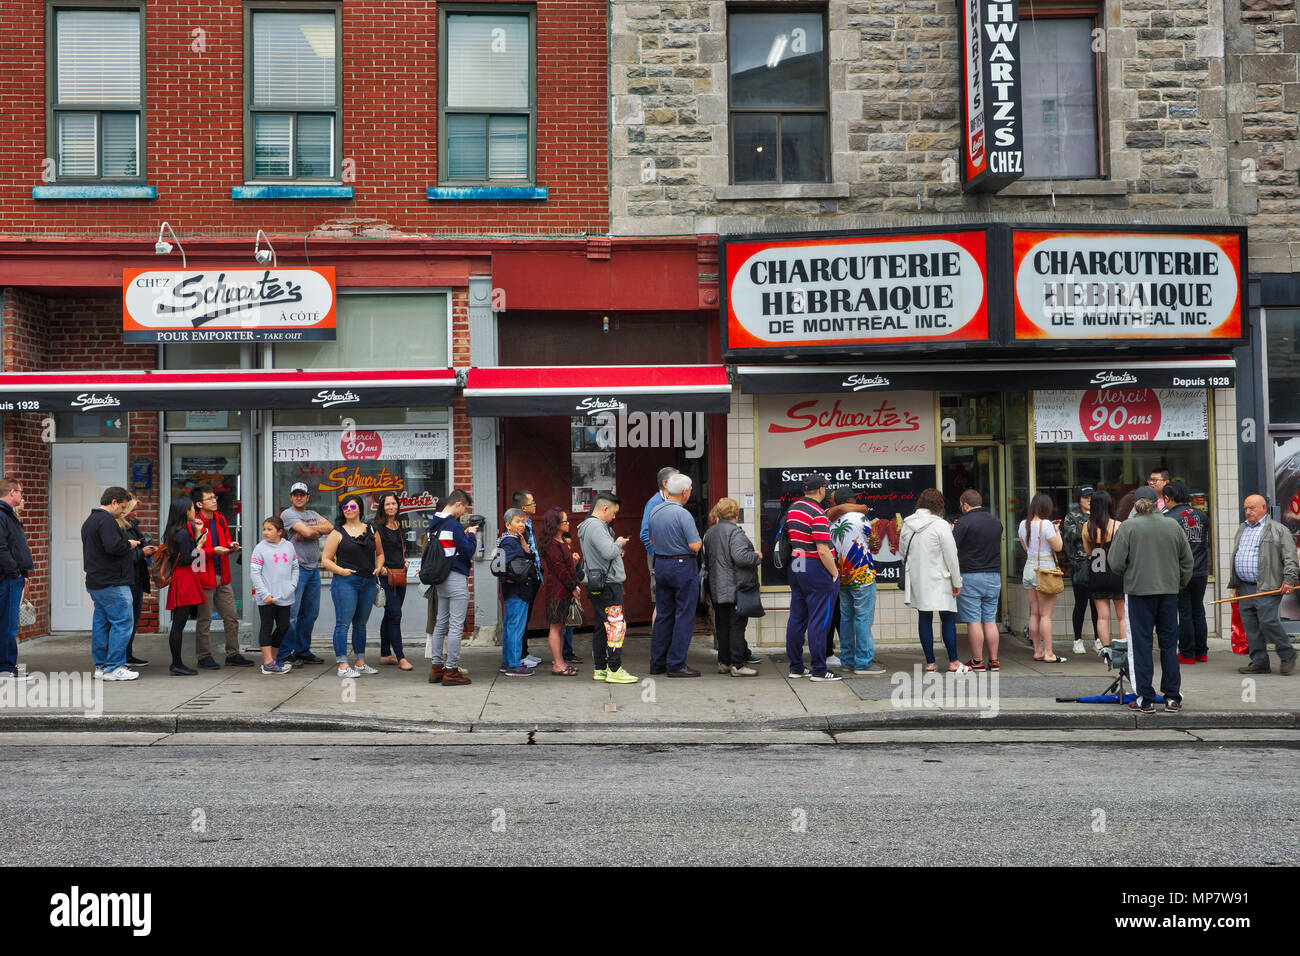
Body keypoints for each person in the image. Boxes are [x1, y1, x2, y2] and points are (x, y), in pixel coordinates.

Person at [1108, 486, 1194, 713]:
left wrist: (1131, 572)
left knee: (1142, 646)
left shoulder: (1129, 527)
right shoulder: (1172, 525)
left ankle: (1145, 697)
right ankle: (1172, 697)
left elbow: (1115, 563)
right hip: (1168, 593)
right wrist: (1178, 583)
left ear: (1135, 505)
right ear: (1158, 502)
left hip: (1139, 593)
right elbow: (1187, 561)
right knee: (1168, 645)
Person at [1231, 493, 1299, 675]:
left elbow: (1290, 557)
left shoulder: (1278, 530)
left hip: (1268, 584)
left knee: (1267, 620)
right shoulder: (1242, 529)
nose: (1247, 512)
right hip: (1245, 585)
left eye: (1252, 508)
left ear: (1263, 508)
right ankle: (1259, 661)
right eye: (1245, 508)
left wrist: (1289, 580)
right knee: (1250, 624)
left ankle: (1287, 653)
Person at [782, 474, 841, 681]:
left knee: (797, 618)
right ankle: (819, 669)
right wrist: (834, 573)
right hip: (815, 567)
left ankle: (796, 666)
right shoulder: (817, 513)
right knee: (819, 620)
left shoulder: (794, 508)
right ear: (821, 489)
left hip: (796, 564)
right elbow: (823, 550)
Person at [901, 488, 965, 673]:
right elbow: (951, 556)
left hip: (919, 579)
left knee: (924, 617)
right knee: (947, 619)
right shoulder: (941, 525)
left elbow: (903, 553)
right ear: (939, 505)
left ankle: (930, 663)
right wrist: (957, 581)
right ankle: (953, 662)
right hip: (941, 578)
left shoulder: (907, 523)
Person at [81, 486, 141, 681]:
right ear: (113, 502)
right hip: (113, 581)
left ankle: (101, 666)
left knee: (101, 623)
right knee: (122, 623)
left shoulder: (90, 521)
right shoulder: (106, 521)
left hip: (96, 581)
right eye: (123, 507)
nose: (124, 511)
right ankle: (115, 666)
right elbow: (113, 546)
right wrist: (129, 545)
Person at [647, 472, 703, 678]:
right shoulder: (683, 514)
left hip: (661, 564)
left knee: (663, 614)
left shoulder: (654, 511)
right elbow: (694, 545)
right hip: (682, 565)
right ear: (685, 492)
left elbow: (651, 542)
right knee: (684, 616)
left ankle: (657, 662)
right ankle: (677, 663)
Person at [577, 493, 637, 683]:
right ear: (604, 509)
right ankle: (614, 668)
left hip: (599, 584)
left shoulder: (586, 526)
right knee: (616, 626)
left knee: (602, 628)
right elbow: (609, 551)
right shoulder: (596, 526)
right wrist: (618, 542)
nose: (614, 517)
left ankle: (600, 668)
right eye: (614, 512)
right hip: (609, 585)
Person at [321, 494, 382, 679]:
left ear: (360, 509)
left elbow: (380, 553)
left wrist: (379, 567)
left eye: (352, 507)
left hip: (369, 582)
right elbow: (325, 559)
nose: (348, 510)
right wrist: (341, 571)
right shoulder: (337, 532)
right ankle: (343, 665)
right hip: (345, 582)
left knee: (361, 625)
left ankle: (360, 663)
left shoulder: (372, 529)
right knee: (343, 623)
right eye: (345, 507)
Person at [192, 483, 251, 669]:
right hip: (204, 575)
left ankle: (233, 654)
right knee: (205, 619)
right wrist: (213, 551)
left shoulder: (220, 519)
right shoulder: (194, 522)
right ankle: (204, 656)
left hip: (223, 575)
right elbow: (194, 552)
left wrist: (230, 545)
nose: (214, 500)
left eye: (214, 497)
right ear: (199, 504)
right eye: (209, 498)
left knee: (231, 616)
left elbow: (224, 540)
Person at [703, 497, 762, 677]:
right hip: (735, 587)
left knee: (722, 625)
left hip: (716, 587)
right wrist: (756, 556)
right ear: (736, 514)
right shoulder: (735, 533)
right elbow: (740, 557)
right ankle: (737, 664)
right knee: (736, 626)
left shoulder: (710, 533)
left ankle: (724, 662)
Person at [276, 481, 331, 667]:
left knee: (310, 613)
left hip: (313, 569)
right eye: (295, 494)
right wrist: (311, 531)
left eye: (302, 494)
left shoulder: (312, 514)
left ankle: (302, 651)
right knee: (291, 613)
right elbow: (308, 530)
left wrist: (309, 533)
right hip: (296, 570)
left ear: (307, 497)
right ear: (291, 497)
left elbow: (330, 527)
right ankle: (284, 653)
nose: (299, 497)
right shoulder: (287, 514)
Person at [426, 489, 477, 686]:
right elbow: (466, 552)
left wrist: (462, 537)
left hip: (440, 578)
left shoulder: (434, 523)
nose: (463, 513)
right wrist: (471, 535)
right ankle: (451, 671)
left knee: (441, 623)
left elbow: (448, 547)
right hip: (456, 576)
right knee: (456, 626)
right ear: (459, 504)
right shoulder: (454, 525)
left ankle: (436, 668)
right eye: (464, 508)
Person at [953, 489, 1002, 671]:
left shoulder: (964, 522)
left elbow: (953, 546)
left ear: (965, 504)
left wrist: (953, 529)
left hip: (971, 575)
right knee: (989, 619)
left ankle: (977, 661)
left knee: (973, 620)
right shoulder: (996, 521)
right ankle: (994, 661)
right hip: (994, 575)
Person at [1164, 480, 1211, 665]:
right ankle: (1202, 652)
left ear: (1168, 498)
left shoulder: (1169, 518)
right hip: (1200, 571)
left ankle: (1187, 653)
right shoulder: (1202, 516)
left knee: (1184, 612)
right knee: (1198, 610)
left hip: (1181, 571)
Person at [161, 496, 208, 676]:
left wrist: (196, 538)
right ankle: (177, 664)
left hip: (181, 578)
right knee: (179, 624)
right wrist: (200, 545)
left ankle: (177, 663)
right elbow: (188, 559)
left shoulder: (174, 531)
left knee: (178, 623)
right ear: (184, 511)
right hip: (185, 579)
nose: (193, 512)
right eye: (191, 509)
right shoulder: (182, 533)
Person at [1018, 492, 1066, 663]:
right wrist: (1057, 531)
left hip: (1029, 567)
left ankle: (1037, 650)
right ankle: (1049, 652)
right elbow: (1058, 547)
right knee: (1046, 615)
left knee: (1034, 613)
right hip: (1045, 568)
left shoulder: (1023, 524)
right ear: (1046, 507)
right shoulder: (1046, 524)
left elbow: (1025, 547)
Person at [250, 516, 299, 675]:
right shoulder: (260, 548)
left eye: (269, 529)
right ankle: (268, 662)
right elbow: (255, 573)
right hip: (267, 597)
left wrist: (292, 586)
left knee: (284, 626)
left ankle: (272, 660)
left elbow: (295, 568)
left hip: (285, 596)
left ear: (279, 531)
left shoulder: (289, 546)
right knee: (266, 626)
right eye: (264, 529)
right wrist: (264, 593)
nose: (265, 532)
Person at [1082, 490, 1127, 661]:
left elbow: (1088, 552)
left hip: (1097, 572)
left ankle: (1106, 652)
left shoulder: (1087, 527)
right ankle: (1123, 651)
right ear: (1109, 505)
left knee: (1102, 616)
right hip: (1116, 572)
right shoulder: (1118, 525)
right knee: (1121, 615)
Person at [372, 492, 412, 671]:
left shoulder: (399, 524)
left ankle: (385, 654)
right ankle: (401, 656)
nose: (391, 507)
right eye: (387, 504)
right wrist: (380, 568)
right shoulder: (377, 528)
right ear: (382, 507)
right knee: (395, 615)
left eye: (393, 504)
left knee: (390, 615)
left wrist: (405, 561)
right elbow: (375, 552)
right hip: (385, 576)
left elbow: (399, 549)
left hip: (400, 575)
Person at [539, 507, 581, 676]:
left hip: (564, 589)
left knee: (560, 626)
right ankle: (558, 664)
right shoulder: (552, 545)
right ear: (556, 524)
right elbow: (561, 570)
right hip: (558, 590)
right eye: (565, 521)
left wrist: (574, 585)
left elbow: (568, 567)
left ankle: (561, 661)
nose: (568, 523)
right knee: (555, 627)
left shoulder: (562, 541)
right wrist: (573, 587)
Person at [0, 478, 34, 682]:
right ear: (12, 492)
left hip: (12, 577)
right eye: (21, 492)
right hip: (7, 579)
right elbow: (1, 548)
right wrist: (16, 573)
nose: (22, 496)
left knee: (7, 623)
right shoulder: (3, 515)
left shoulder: (8, 515)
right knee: (8, 624)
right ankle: (6, 668)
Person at [497, 507, 538, 676]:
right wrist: (506, 578)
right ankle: (514, 664)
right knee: (515, 627)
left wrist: (527, 550)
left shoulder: (512, 540)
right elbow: (499, 566)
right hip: (518, 591)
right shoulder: (510, 542)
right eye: (517, 521)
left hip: (515, 591)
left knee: (511, 626)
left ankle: (507, 662)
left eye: (523, 521)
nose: (521, 524)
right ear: (508, 524)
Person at [1060, 485, 1099, 655]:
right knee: (1081, 604)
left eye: (1092, 497)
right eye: (1086, 497)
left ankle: (1098, 639)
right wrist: (1089, 527)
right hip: (1080, 564)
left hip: (1098, 563)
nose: (1089, 500)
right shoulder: (1072, 516)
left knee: (1097, 604)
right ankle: (1077, 640)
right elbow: (1069, 536)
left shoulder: (1100, 514)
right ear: (1079, 499)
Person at [119, 495, 155, 668]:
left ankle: (127, 654)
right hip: (129, 579)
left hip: (137, 578)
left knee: (132, 619)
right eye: (132, 510)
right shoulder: (121, 529)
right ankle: (121, 657)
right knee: (126, 620)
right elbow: (122, 555)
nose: (135, 513)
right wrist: (143, 553)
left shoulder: (132, 527)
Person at [639, 467, 679, 625]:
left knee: (671, 603)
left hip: (671, 559)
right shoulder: (655, 502)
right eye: (676, 479)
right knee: (662, 604)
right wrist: (658, 558)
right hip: (660, 559)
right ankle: (659, 644)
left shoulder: (673, 500)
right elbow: (644, 533)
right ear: (665, 483)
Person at [512, 489, 542, 668]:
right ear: (524, 507)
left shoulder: (528, 523)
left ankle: (524, 651)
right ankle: (520, 655)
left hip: (534, 576)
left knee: (527, 616)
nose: (535, 505)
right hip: (525, 578)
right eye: (533, 503)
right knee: (521, 617)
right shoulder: (519, 526)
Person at [559, 530, 582, 663]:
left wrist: (576, 564)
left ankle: (567, 651)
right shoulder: (558, 558)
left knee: (570, 625)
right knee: (561, 627)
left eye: (569, 545)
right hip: (561, 596)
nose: (568, 548)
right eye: (565, 545)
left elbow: (579, 576)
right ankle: (560, 654)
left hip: (571, 597)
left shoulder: (572, 558)